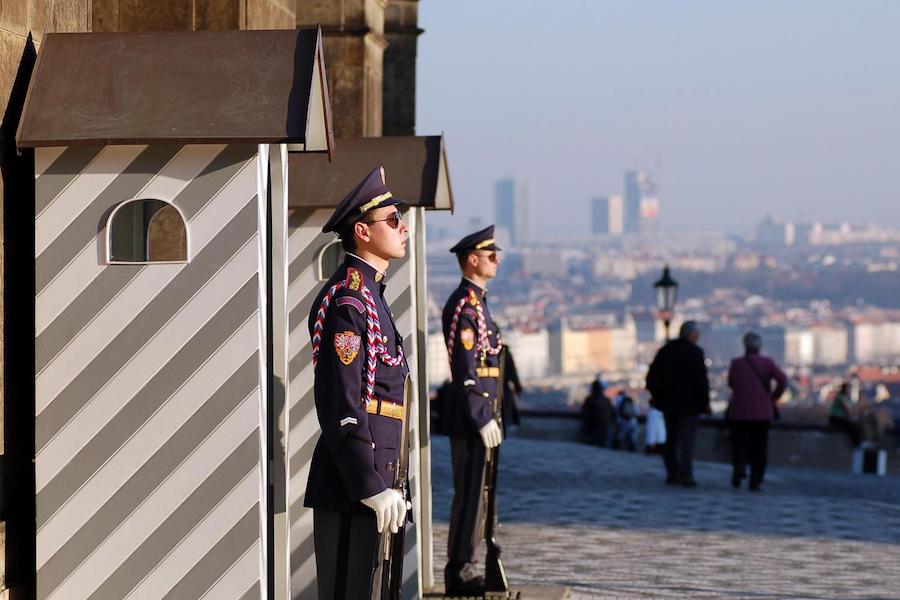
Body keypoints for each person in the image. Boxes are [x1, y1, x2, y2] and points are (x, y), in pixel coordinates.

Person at [304, 166, 411, 599]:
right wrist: (368, 485)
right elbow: (343, 402)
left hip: (380, 474)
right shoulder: (349, 300)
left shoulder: (372, 295)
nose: (402, 227)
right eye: (391, 220)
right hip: (355, 481)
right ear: (362, 231)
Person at [441, 225, 505, 596]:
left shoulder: (478, 302)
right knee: (469, 492)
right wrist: (481, 416)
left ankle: (468, 562)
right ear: (472, 260)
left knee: (481, 492)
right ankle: (459, 569)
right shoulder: (465, 305)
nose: (497, 259)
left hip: (482, 412)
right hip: (469, 417)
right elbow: (465, 369)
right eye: (490, 254)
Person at [646, 320, 711, 487]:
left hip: (669, 403)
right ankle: (686, 475)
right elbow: (701, 382)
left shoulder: (666, 350)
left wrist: (657, 396)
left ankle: (672, 473)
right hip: (689, 405)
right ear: (691, 334)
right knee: (687, 441)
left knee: (671, 439)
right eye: (697, 333)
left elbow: (651, 377)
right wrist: (705, 402)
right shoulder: (695, 352)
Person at [726, 332, 787, 491]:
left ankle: (738, 471)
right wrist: (774, 396)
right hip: (762, 412)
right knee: (759, 447)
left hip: (739, 411)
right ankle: (755, 480)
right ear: (759, 346)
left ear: (745, 345)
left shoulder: (736, 363)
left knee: (739, 444)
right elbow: (782, 379)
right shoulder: (767, 363)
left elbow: (731, 383)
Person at [581, 377, 613, 447]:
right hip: (605, 426)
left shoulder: (589, 400)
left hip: (593, 427)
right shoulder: (606, 400)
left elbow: (585, 413)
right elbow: (613, 413)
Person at [829, 382, 861, 447]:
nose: (849, 391)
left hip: (837, 418)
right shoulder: (841, 397)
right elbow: (847, 409)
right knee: (852, 427)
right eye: (848, 389)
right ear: (845, 389)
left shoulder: (842, 397)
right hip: (836, 418)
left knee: (853, 426)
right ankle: (857, 444)